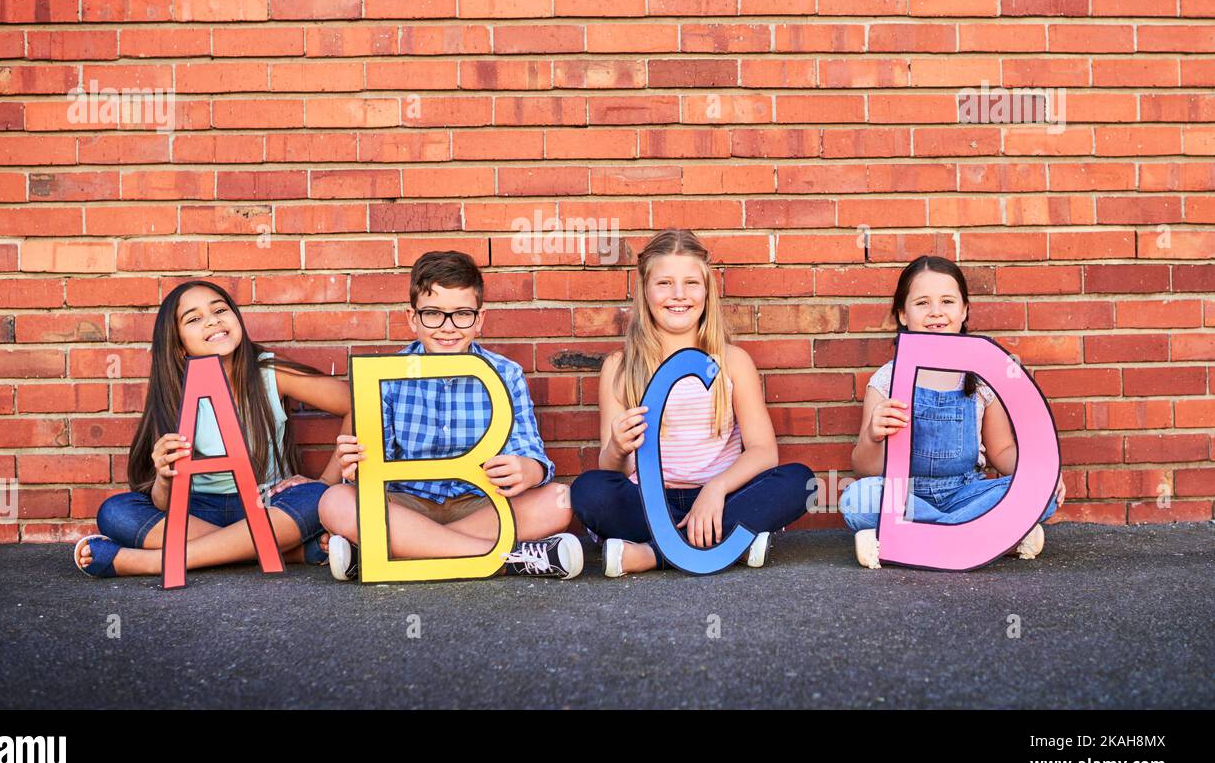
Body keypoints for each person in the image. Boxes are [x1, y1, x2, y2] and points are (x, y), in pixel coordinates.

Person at [319, 250, 583, 580]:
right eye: (432, 313)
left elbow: (531, 453)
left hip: (482, 503)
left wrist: (527, 470)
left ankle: (399, 550)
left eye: (462, 314)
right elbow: (370, 471)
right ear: (412, 317)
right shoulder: (387, 376)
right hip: (407, 503)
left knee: (560, 500)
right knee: (334, 502)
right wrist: (356, 468)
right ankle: (506, 559)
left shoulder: (506, 373)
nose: (448, 327)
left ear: (480, 319)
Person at [571, 229, 815, 576]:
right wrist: (618, 448)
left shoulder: (733, 361)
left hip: (724, 497)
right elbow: (612, 469)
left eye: (691, 283)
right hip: (651, 503)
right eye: (665, 283)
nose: (679, 295)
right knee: (588, 491)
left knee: (800, 483)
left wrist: (716, 489)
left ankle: (653, 555)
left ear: (707, 291)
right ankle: (727, 546)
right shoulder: (620, 367)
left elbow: (764, 451)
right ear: (644, 290)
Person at [74, 279, 349, 577]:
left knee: (319, 498)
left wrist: (327, 479)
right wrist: (164, 477)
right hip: (198, 509)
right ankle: (285, 550)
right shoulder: (173, 394)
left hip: (270, 502)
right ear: (179, 345)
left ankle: (152, 562)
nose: (212, 320)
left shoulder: (268, 371)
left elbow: (355, 404)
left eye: (220, 310)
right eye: (194, 318)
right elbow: (163, 503)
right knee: (116, 512)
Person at [840, 255, 1065, 569]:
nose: (936, 312)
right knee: (856, 498)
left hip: (966, 492)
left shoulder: (982, 378)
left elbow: (1001, 450)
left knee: (1042, 496)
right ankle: (989, 538)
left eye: (947, 301)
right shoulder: (886, 380)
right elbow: (865, 468)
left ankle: (908, 542)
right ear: (903, 314)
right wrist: (873, 436)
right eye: (922, 303)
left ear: (964, 310)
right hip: (905, 496)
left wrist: (1041, 474)